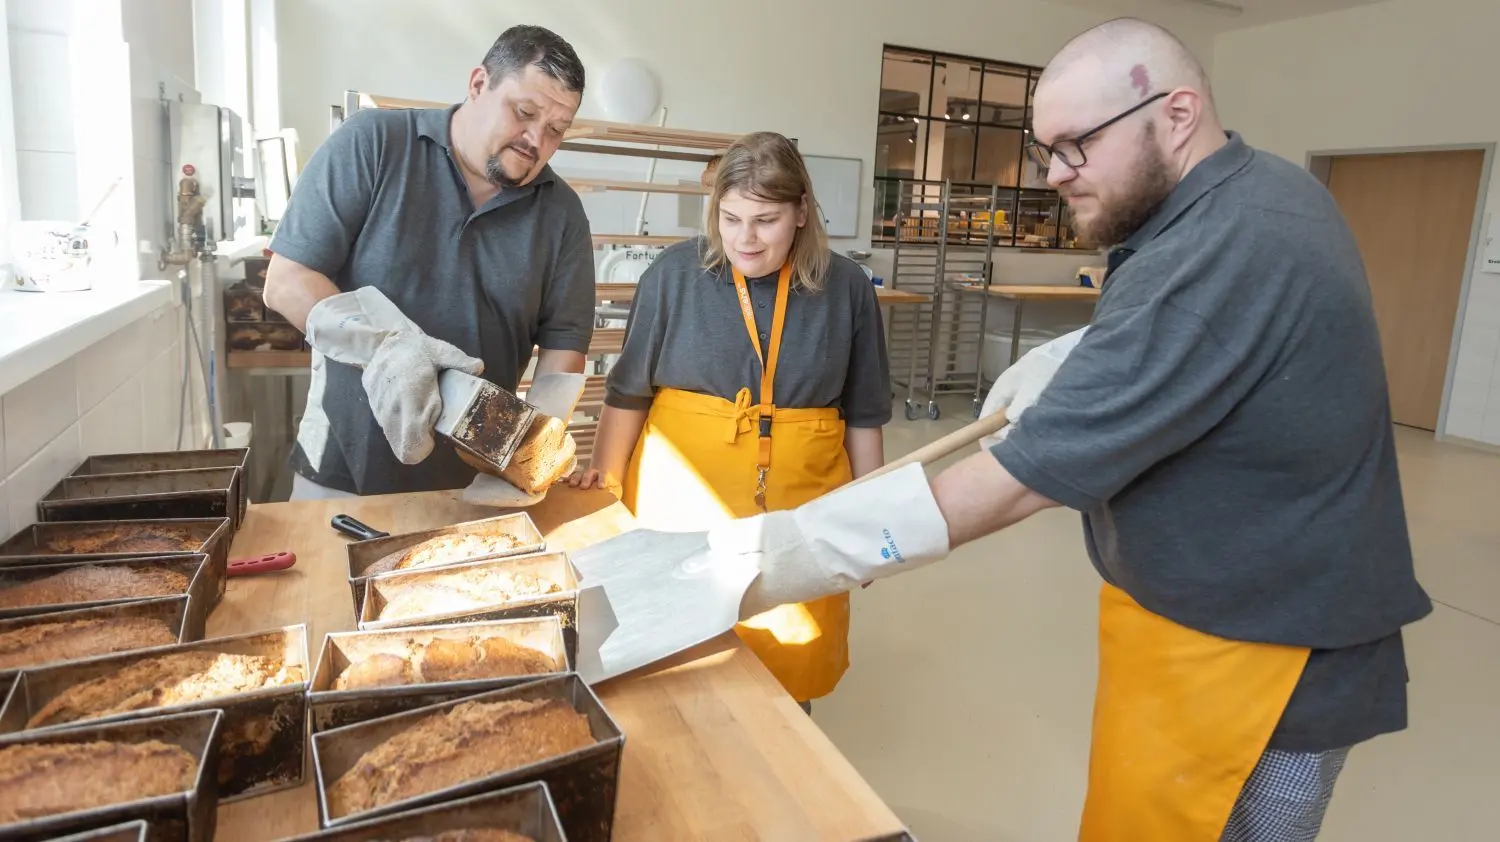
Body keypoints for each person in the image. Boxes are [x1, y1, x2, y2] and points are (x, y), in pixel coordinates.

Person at [704, 18, 1432, 841]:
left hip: (1263, 650)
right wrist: (1087, 351)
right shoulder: (1257, 194)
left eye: (1077, 145)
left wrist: (799, 554)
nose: (1053, 174)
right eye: (1046, 149)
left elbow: (1020, 480)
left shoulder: (1227, 244)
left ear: (1178, 113)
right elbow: (1214, 341)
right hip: (1206, 619)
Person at [572, 132, 891, 710]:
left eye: (766, 220)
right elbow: (627, 394)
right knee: (673, 664)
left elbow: (864, 416)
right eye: (731, 218)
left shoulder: (846, 288)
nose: (745, 238)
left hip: (799, 510)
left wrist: (869, 521)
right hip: (680, 503)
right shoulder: (673, 275)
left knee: (786, 660)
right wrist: (606, 496)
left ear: (801, 213)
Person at [263, 25, 596, 499]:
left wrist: (528, 461)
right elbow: (286, 280)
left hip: (473, 487)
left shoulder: (562, 214)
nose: (535, 139)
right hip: (341, 468)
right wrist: (385, 348)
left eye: (556, 130)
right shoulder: (374, 143)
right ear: (478, 84)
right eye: (524, 113)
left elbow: (563, 351)